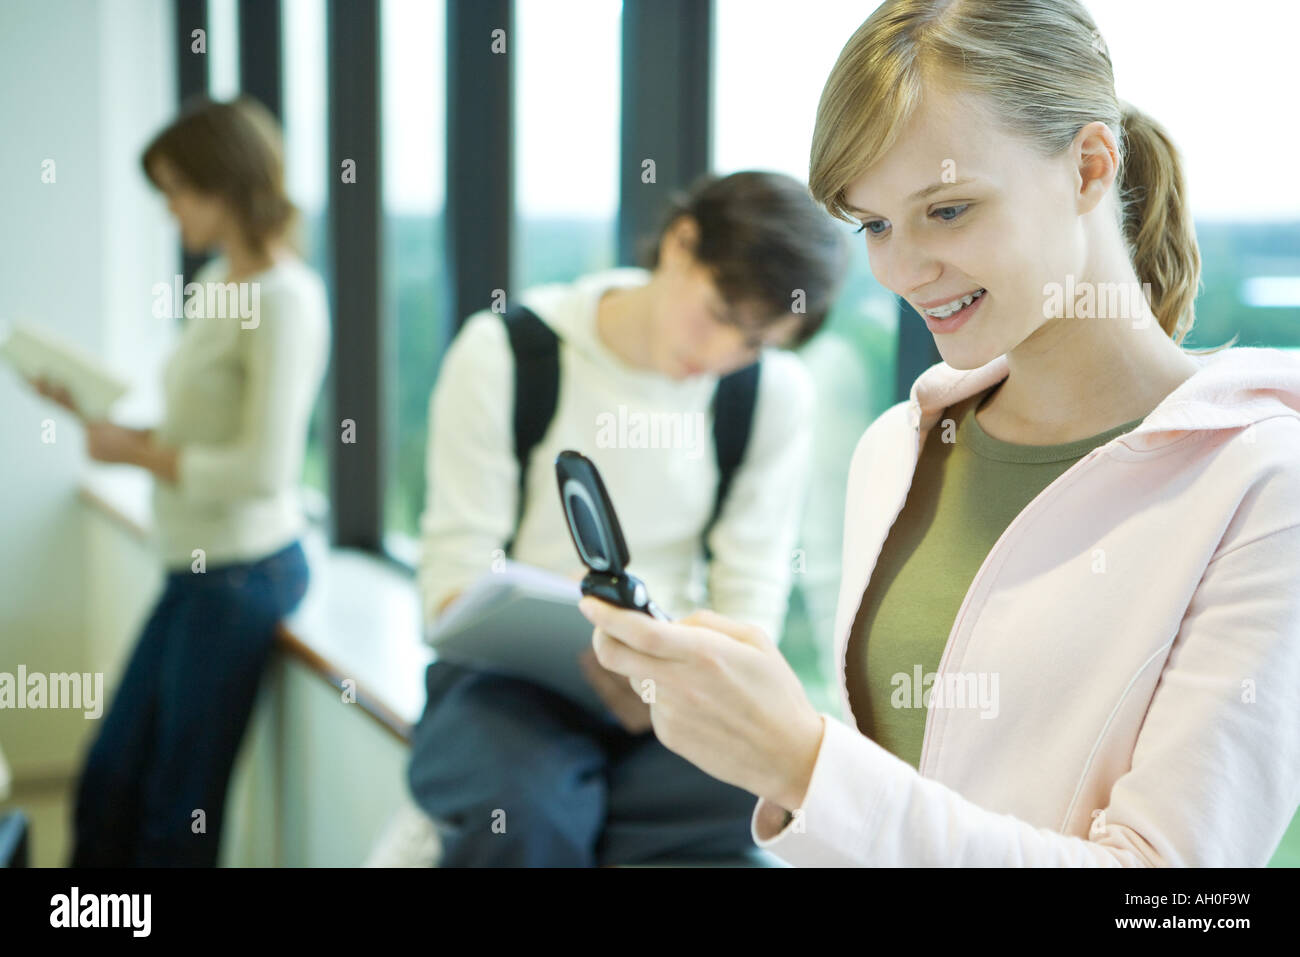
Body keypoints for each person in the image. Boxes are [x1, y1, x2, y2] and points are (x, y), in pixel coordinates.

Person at [580, 0, 1300, 867]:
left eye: (948, 210)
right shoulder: (899, 449)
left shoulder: (1263, 489)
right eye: (875, 224)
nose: (902, 269)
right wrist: (768, 742)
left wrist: (803, 762)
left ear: (1089, 168)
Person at [406, 170, 848, 866]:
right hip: (512, 683)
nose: (721, 356)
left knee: (765, 809)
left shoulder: (769, 395)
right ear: (680, 243)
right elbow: (453, 581)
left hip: (668, 689)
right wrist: (599, 653)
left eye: (755, 342)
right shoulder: (510, 353)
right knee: (529, 810)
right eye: (720, 313)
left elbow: (750, 589)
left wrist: (685, 677)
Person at [40, 95, 330, 866]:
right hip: (193, 570)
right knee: (107, 780)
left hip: (242, 572)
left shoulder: (285, 301)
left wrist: (135, 455)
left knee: (177, 810)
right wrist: (104, 420)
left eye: (177, 190)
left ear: (223, 184)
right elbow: (198, 431)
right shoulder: (215, 286)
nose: (170, 211)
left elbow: (264, 470)